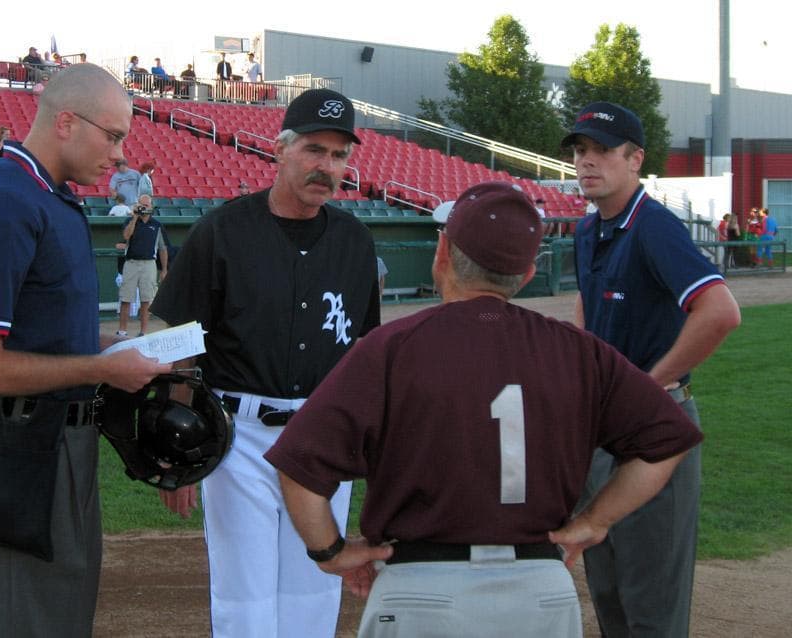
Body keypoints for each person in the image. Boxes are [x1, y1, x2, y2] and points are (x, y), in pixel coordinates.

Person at [264, 182, 707, 637]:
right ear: (529, 272)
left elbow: (299, 466)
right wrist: (595, 522)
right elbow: (667, 440)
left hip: (421, 589)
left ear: (443, 252)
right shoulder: (579, 351)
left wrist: (330, 552)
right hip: (541, 591)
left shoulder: (391, 347)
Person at [0, 62, 171, 637]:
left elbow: (51, 335)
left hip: (62, 441)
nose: (122, 154)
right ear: (66, 121)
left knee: (61, 618)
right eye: (114, 135)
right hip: (20, 449)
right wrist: (101, 367)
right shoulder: (2, 196)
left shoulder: (52, 198)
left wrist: (123, 349)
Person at [151, 88, 380, 638]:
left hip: (323, 438)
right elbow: (178, 342)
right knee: (245, 600)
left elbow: (367, 355)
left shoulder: (354, 241)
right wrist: (178, 452)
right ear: (279, 150)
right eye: (313, 150)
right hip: (238, 439)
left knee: (314, 593)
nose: (327, 166)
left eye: (339, 155)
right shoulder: (222, 232)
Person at [566, 101, 741, 637]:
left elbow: (721, 311)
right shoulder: (587, 230)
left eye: (601, 150)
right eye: (579, 150)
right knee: (610, 591)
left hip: (653, 428)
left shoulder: (654, 226)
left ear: (635, 158)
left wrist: (646, 387)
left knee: (652, 606)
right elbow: (586, 304)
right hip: (604, 427)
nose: (586, 161)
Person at [115, 194, 167, 338]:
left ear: (151, 207)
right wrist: (135, 217)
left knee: (146, 299)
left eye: (147, 205)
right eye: (141, 205)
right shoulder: (129, 221)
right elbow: (126, 236)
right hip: (131, 262)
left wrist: (164, 269)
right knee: (126, 298)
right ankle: (122, 330)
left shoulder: (156, 225)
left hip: (149, 264)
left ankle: (143, 331)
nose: (144, 208)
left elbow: (162, 248)